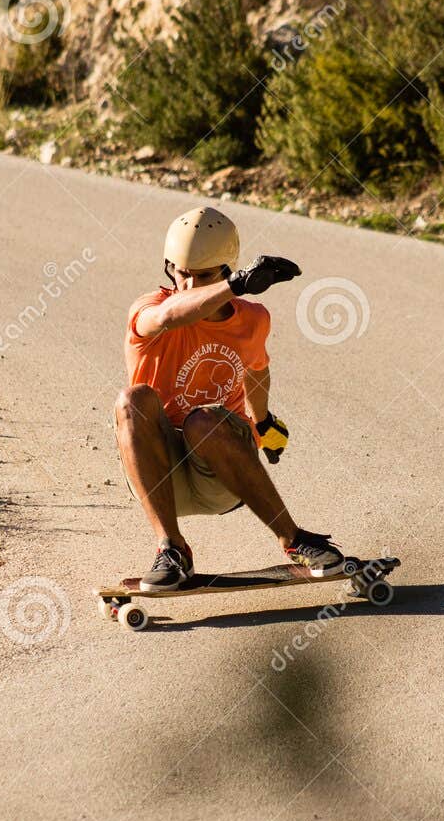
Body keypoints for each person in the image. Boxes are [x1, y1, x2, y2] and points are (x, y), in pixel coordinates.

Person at [114, 206, 346, 592]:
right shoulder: (149, 309)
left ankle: (294, 539)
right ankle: (171, 550)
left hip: (221, 472)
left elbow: (255, 370)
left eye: (203, 275)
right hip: (160, 474)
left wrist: (264, 422)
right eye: (182, 273)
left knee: (202, 421)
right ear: (169, 267)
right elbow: (171, 316)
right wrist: (234, 285)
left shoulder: (252, 319)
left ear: (225, 268)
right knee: (132, 399)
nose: (189, 285)